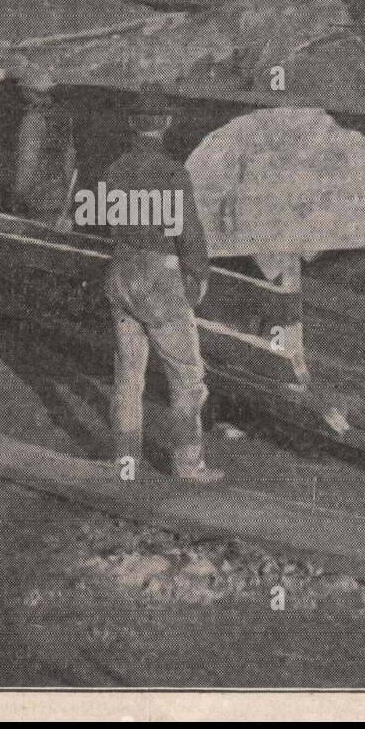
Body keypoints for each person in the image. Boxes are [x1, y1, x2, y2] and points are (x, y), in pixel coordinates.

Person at [101, 83, 221, 483]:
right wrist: (198, 272)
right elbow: (187, 230)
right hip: (158, 279)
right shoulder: (172, 173)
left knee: (128, 376)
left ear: (132, 125)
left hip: (120, 273)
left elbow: (112, 222)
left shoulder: (115, 169)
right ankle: (188, 464)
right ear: (166, 123)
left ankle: (125, 463)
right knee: (187, 376)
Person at [11, 65, 76, 227]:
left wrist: (19, 193)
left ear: (29, 91)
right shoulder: (63, 116)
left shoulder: (32, 119)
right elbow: (69, 155)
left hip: (37, 196)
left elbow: (28, 160)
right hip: (60, 193)